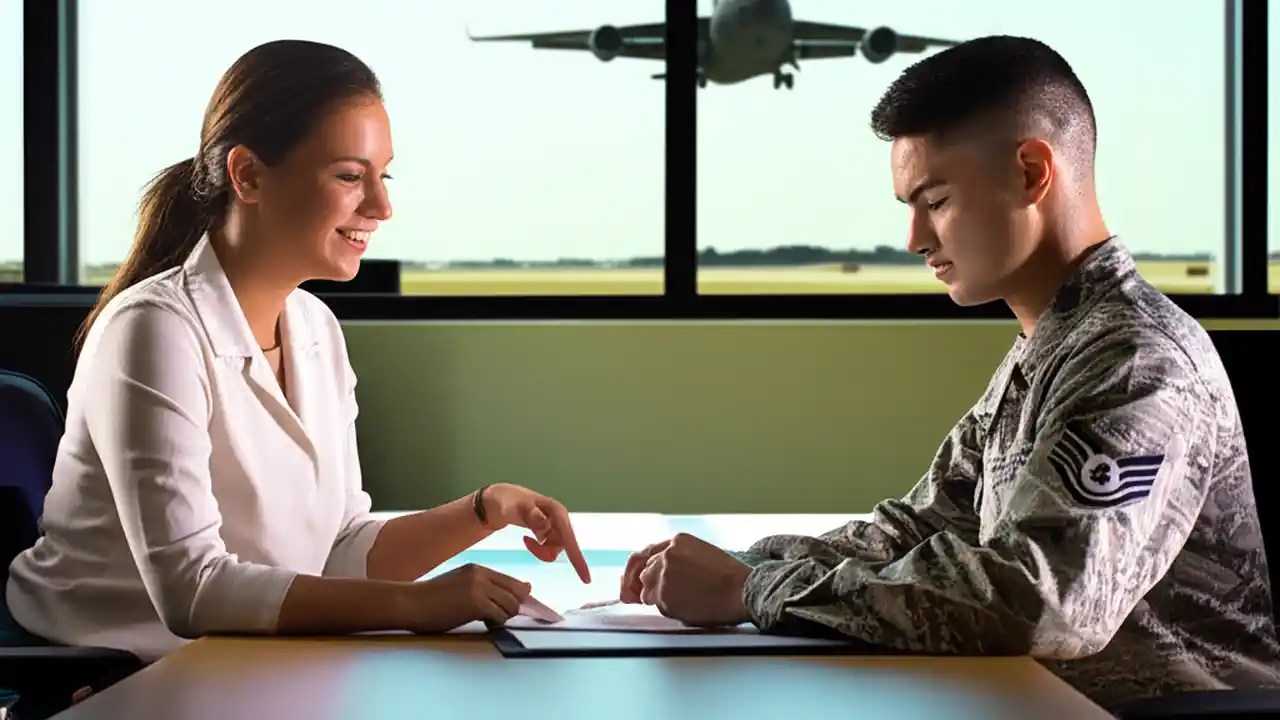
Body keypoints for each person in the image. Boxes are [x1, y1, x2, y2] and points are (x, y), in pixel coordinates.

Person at [618, 35, 1280, 708]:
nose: (914, 239)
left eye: (934, 201)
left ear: (1030, 172)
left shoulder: (1137, 359)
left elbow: (1042, 602)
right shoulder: (1051, 346)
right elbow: (919, 528)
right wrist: (750, 562)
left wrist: (749, 592)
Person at [5, 39, 590, 663]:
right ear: (248, 175)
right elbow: (192, 590)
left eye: (383, 175)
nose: (382, 206)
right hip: (116, 676)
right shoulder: (152, 330)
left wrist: (482, 510)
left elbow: (338, 549)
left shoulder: (315, 327)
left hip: (242, 667)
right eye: (348, 176)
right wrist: (424, 606)